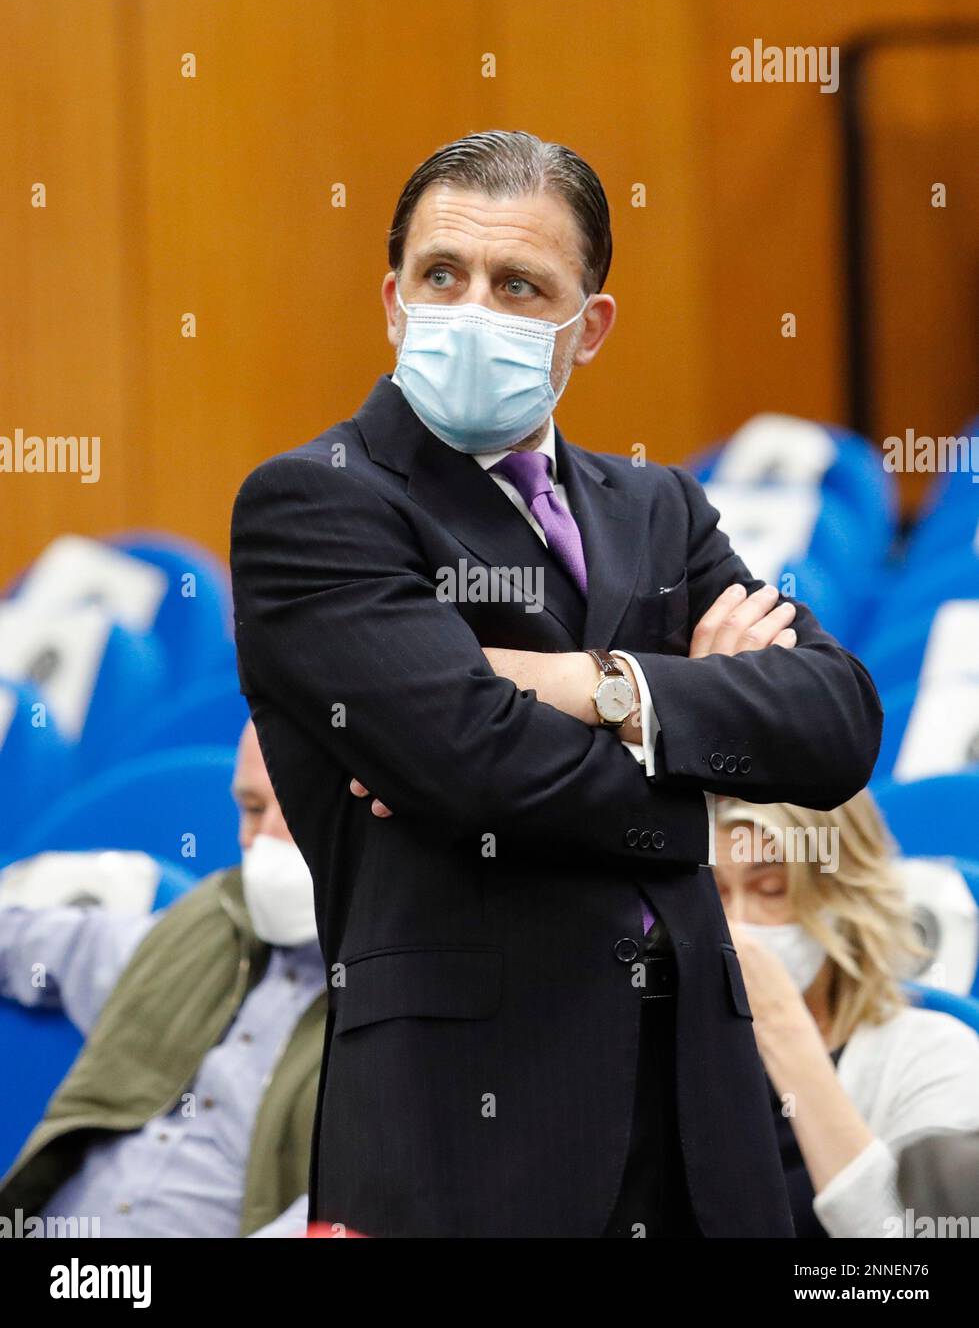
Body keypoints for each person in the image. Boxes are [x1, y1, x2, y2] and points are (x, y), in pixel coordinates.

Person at [230, 129, 882, 1238]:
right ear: (393, 301)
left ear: (589, 326)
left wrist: (605, 685)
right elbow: (475, 768)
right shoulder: (317, 502)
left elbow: (836, 724)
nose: (471, 308)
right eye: (444, 276)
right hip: (471, 1130)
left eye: (519, 284)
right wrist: (699, 752)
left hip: (702, 1117)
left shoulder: (658, 507)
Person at [0, 721, 325, 1238]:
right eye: (248, 809)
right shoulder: (191, 937)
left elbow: (365, 1208)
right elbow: (28, 944)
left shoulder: (404, 1018)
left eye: (279, 808)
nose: (255, 839)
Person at [713, 791, 979, 1238]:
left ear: (845, 896)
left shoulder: (932, 1054)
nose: (736, 924)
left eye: (772, 890)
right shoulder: (680, 1049)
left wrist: (785, 1032)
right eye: (714, 894)